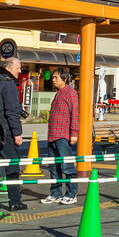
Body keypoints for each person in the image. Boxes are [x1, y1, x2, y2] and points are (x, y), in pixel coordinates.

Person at [0, 57, 27, 211]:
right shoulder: (8, 85)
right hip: (3, 131)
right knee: (12, 164)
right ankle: (14, 201)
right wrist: (17, 133)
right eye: (18, 68)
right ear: (9, 68)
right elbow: (12, 112)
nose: (20, 71)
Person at [43, 69, 79, 205]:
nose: (53, 80)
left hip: (63, 135)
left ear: (64, 79)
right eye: (52, 77)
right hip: (52, 135)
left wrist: (74, 133)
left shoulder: (71, 93)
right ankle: (55, 193)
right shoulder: (58, 94)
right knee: (53, 167)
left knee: (68, 166)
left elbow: (74, 114)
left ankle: (71, 193)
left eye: (56, 78)